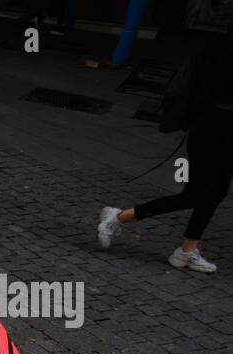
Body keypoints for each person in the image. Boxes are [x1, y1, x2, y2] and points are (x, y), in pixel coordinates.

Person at [98, 33, 233, 273]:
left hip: (225, 129)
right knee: (195, 195)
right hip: (212, 128)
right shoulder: (222, 48)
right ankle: (119, 217)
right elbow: (219, 92)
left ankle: (187, 250)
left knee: (216, 192)